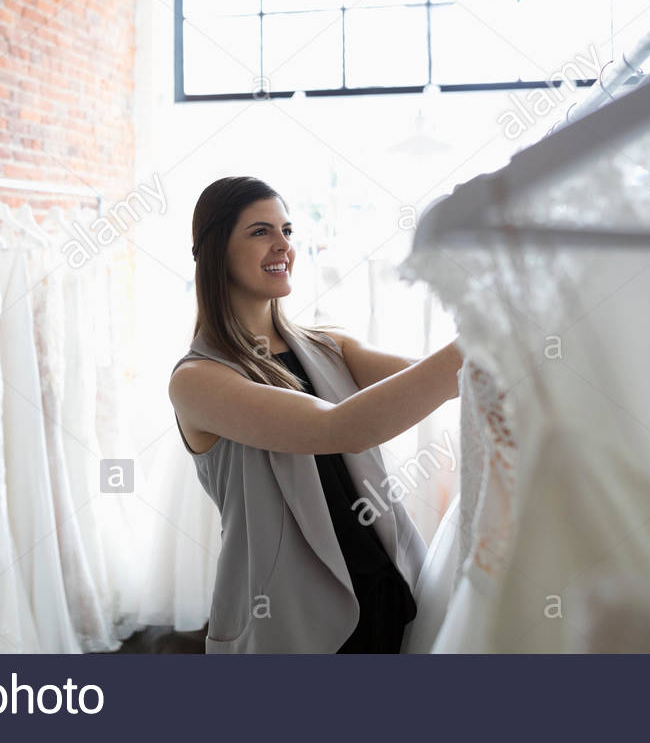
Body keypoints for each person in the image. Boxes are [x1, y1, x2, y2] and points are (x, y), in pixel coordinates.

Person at [167, 176, 464, 653]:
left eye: (286, 230)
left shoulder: (331, 345)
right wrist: (478, 341)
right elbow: (339, 427)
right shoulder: (198, 380)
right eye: (261, 231)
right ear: (217, 249)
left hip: (388, 594)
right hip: (293, 622)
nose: (283, 245)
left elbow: (438, 380)